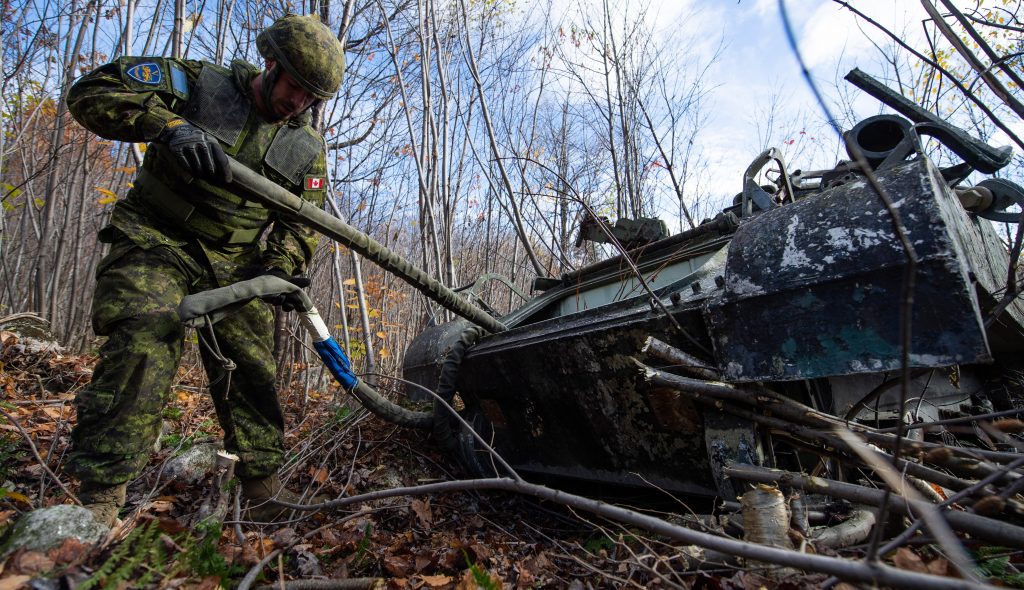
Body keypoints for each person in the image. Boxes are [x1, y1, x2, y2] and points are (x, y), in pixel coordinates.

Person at [65, 14, 345, 526]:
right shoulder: (198, 84)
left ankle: (261, 484)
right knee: (148, 333)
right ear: (271, 64)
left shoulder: (308, 151)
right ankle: (102, 492)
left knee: (252, 364)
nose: (299, 104)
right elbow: (91, 91)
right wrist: (167, 127)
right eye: (295, 87)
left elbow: (303, 223)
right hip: (157, 236)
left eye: (312, 98)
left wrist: (280, 268)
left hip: (236, 262)